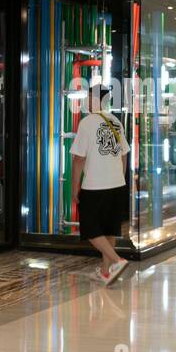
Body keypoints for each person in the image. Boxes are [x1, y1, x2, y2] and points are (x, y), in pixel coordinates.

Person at [70, 88, 130, 284]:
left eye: (87, 97)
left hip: (95, 186)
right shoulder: (115, 121)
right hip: (117, 185)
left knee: (91, 230)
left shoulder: (86, 123)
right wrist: (119, 177)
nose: (85, 101)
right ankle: (106, 271)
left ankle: (116, 261)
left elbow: (79, 159)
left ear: (95, 99)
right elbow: (124, 153)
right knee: (108, 229)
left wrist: (74, 187)